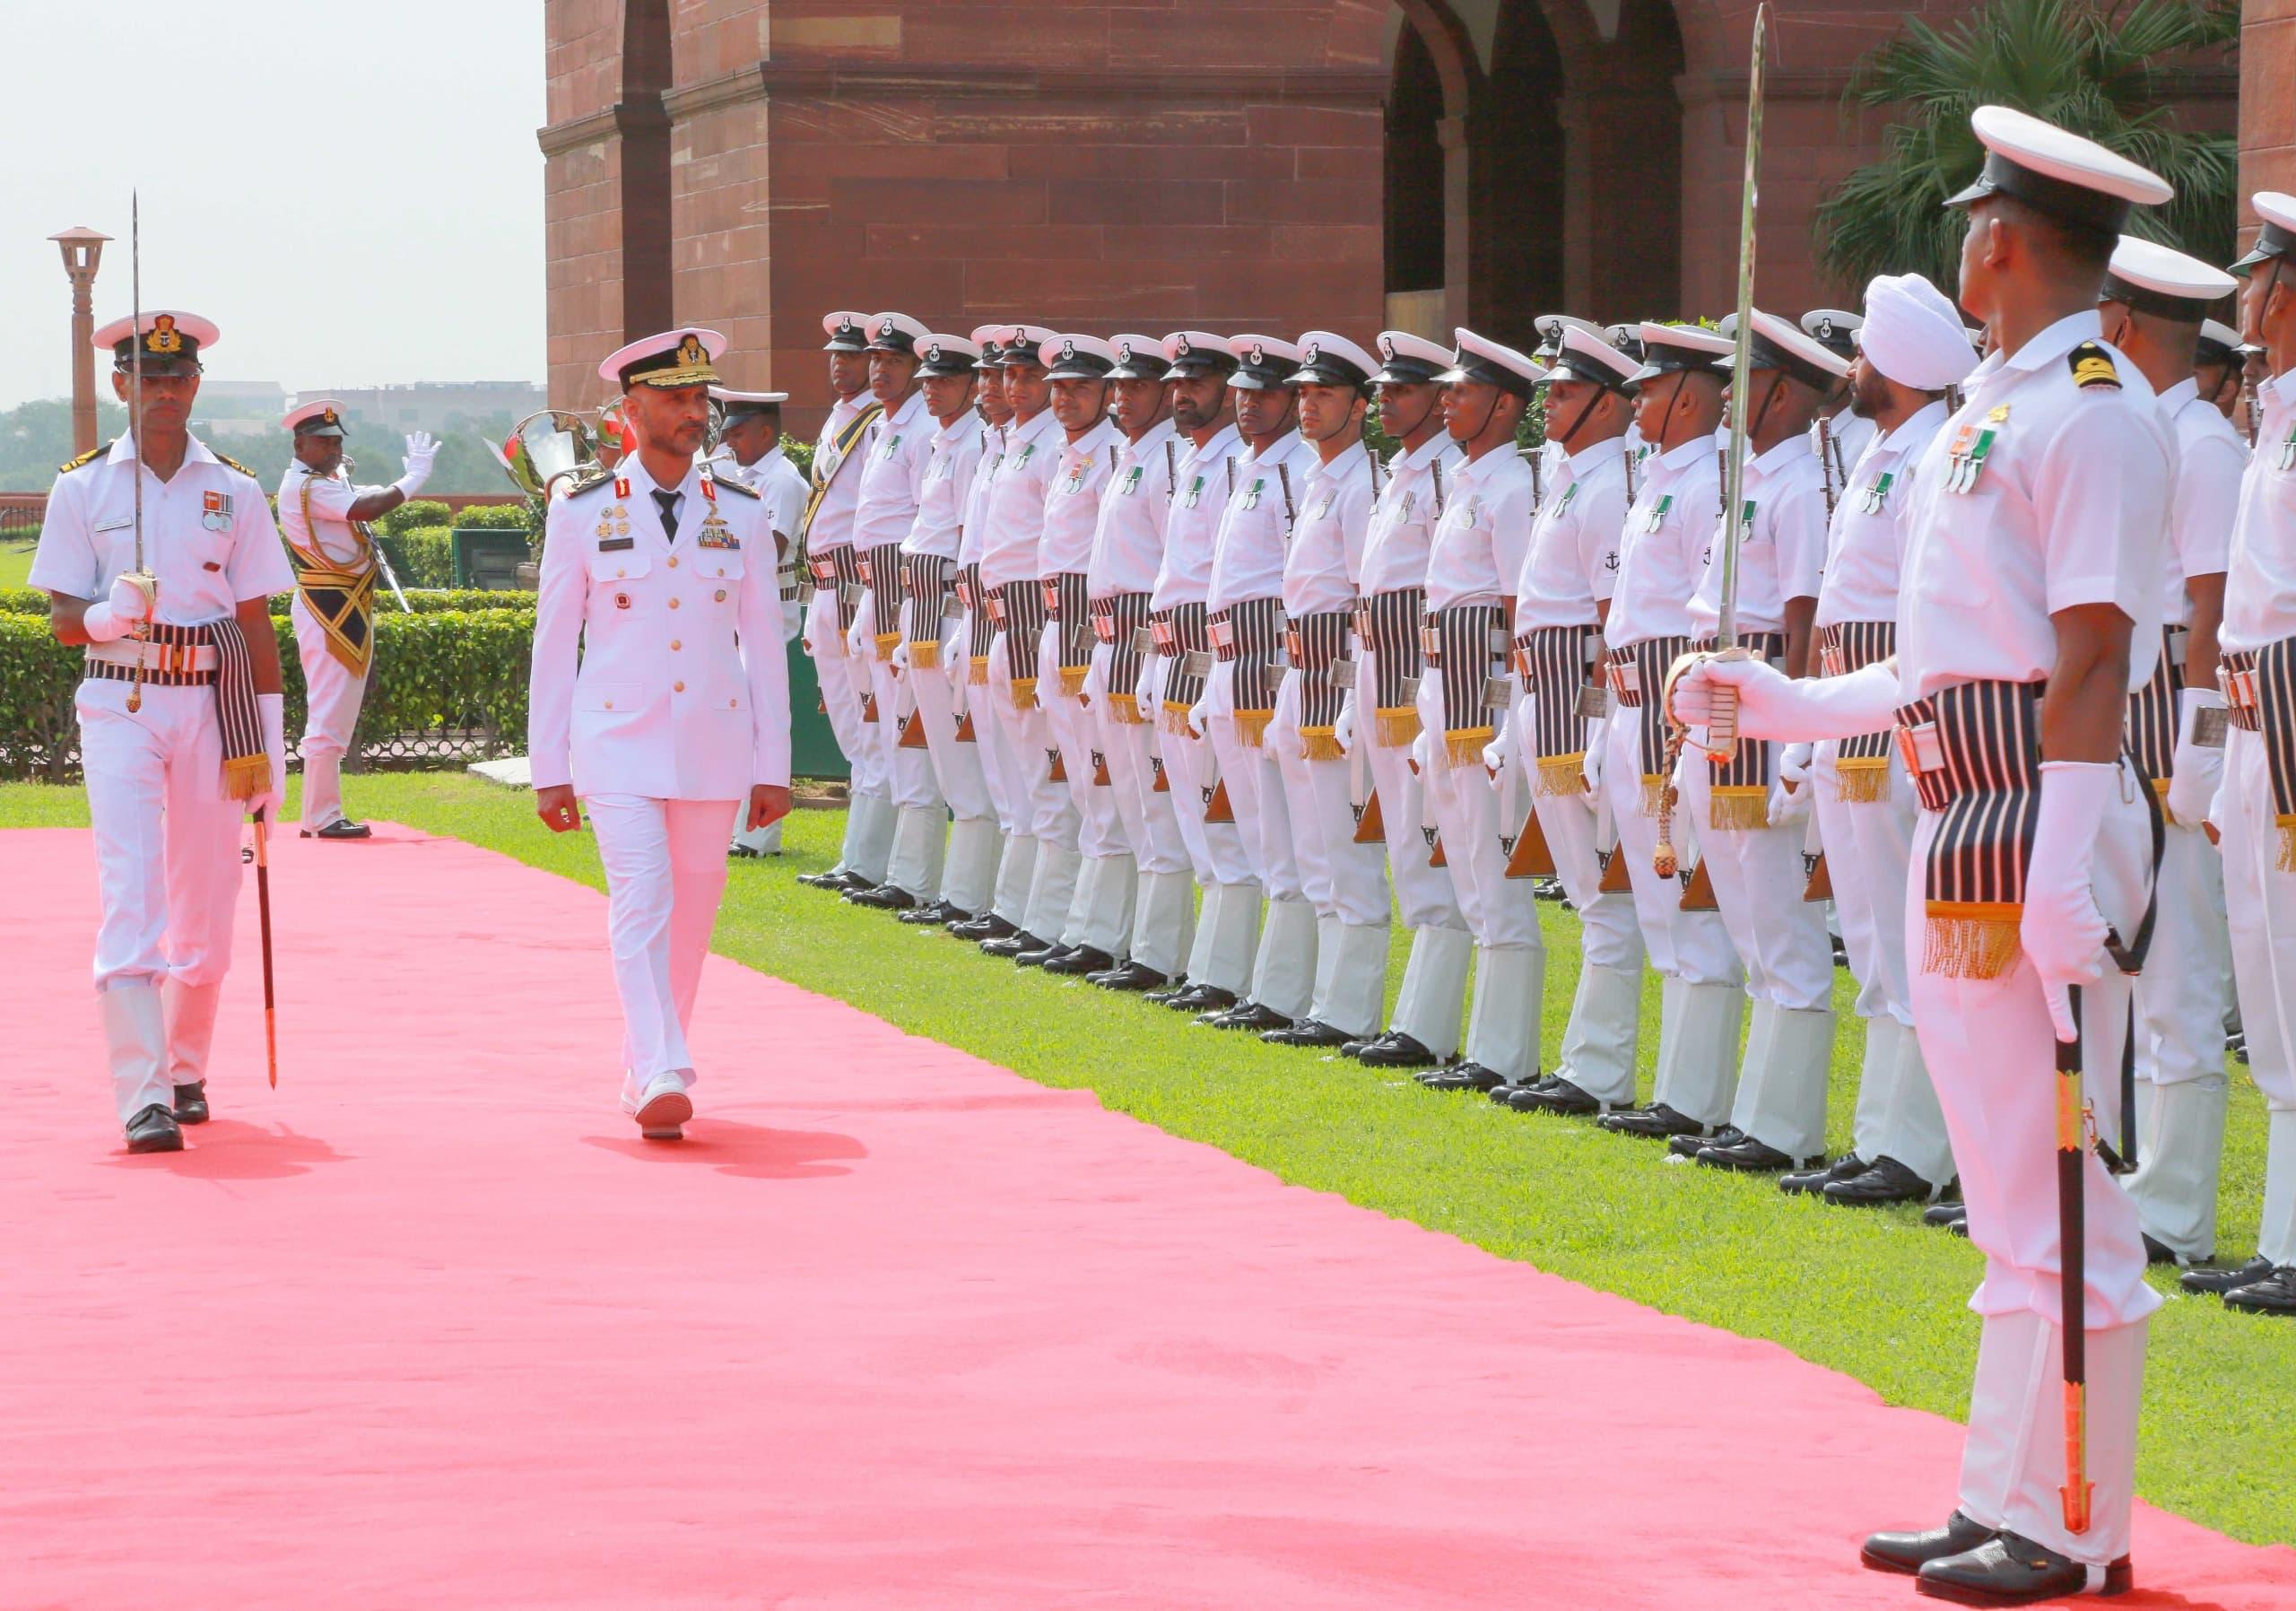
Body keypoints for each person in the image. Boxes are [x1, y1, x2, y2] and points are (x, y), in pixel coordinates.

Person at [1676, 105, 2175, 1600]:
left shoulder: (2091, 410)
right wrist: (1781, 701)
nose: (1963, 241)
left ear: (2004, 239)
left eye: (1972, 222)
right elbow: (1940, 662)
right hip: (1966, 807)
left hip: (2039, 811)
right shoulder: (1985, 411)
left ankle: (2075, 1522)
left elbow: (2092, 658)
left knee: (2065, 1190)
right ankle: (2000, 1496)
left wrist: (2065, 872)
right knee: (2007, 1189)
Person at [32, 309, 292, 1153]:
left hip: (215, 705)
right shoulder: (83, 488)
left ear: (196, 386)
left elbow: (254, 620)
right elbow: (62, 619)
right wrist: (109, 615)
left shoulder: (236, 489)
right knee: (133, 891)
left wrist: (270, 744)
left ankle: (185, 1067)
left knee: (208, 901)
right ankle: (142, 1093)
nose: (165, 391)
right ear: (121, 385)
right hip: (123, 696)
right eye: (149, 377)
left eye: (179, 378)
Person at [529, 328, 793, 1141]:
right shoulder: (581, 511)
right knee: (642, 898)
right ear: (630, 410)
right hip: (616, 742)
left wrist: (774, 765)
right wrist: (548, 766)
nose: (694, 412)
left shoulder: (739, 511)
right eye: (675, 398)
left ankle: (647, 1063)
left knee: (694, 913)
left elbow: (764, 643)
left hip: (714, 744)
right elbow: (554, 643)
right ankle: (660, 1070)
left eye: (700, 397)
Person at [1779, 274, 1969, 1210]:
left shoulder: (1930, 452)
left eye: (1862, 352)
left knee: (1904, 932)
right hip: (1845, 710)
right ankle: (1879, 1137)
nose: (1851, 367)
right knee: (1869, 937)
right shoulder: (1879, 451)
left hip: (1895, 712)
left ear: (1895, 361)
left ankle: (1918, 1147)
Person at [2095, 238, 2246, 1267]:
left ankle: (2173, 1208)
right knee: (2122, 966)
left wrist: (2201, 748)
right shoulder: (2142, 431)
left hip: (2170, 723)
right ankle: (2125, 1181)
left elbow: (2212, 607)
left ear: (2121, 324)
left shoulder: (2201, 444)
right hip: (2123, 715)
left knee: (2179, 974)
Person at [1665, 310, 1845, 1174]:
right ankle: (1754, 1115)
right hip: (1719, 703)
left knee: (1781, 923)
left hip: (1764, 698)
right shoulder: (1751, 478)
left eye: (1746, 379)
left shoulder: (1800, 485)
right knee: (1744, 916)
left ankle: (1785, 1128)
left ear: (1781, 392)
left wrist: (1799, 735)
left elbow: (1804, 615)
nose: (1730, 394)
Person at [1595, 322, 1746, 1142]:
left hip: (1672, 704)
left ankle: (1698, 1101)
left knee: (1691, 901)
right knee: (1661, 906)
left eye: (1648, 389)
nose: (1636, 402)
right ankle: (1675, 1092)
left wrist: (1689, 727)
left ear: (1688, 396)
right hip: (1631, 703)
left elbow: (1707, 617)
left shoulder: (1704, 483)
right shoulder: (1658, 477)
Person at [2186, 187, 2296, 1315]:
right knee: (2267, 986)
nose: (2246, 296)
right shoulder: (2270, 421)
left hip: (2295, 724)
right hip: (2257, 722)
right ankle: (2281, 1237)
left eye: (2258, 279)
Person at [1495, 325, 1647, 1115]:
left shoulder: (1610, 484)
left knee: (1602, 895)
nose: (1548, 404)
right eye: (1549, 390)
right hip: (1540, 688)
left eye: (1565, 392)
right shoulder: (1569, 477)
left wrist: (1596, 723)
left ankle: (1598, 1072)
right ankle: (1586, 1063)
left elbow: (1607, 619)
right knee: (1589, 894)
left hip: (1573, 693)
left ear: (1608, 404)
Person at [1408, 329, 1545, 1092]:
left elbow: (1519, 609)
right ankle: (1482, 1046)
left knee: (1495, 874)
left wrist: (1512, 713)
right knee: (1464, 863)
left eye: (1463, 391)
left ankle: (1504, 1053)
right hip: (1443, 683)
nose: (1448, 401)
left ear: (1503, 405)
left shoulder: (1511, 487)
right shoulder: (1465, 482)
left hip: (1483, 692)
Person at [1343, 333, 1474, 1068]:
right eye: (1384, 391)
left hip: (1421, 672)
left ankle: (1429, 1026)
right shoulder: (1398, 471)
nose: (1388, 403)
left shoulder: (1449, 473)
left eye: (1404, 391)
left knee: (1430, 843)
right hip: (1379, 663)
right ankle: (1414, 1016)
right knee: (1403, 840)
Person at [1261, 333, 1392, 1048]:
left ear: (1360, 406)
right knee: (1310, 850)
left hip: (1336, 669)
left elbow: (1363, 600)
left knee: (1346, 854)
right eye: (1304, 393)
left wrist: (1347, 694)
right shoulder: (1317, 479)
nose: (1308, 405)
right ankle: (1316, 1002)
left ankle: (1350, 1011)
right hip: (1300, 667)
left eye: (1325, 394)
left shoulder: (1363, 484)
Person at [1196, 335, 1321, 1032]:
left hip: (1267, 656)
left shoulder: (1296, 470)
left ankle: (1283, 994)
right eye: (1243, 393)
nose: (1250, 404)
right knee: (1249, 827)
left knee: (1281, 835)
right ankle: (1256, 983)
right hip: (1226, 654)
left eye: (1266, 393)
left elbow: (1296, 581)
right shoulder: (1247, 466)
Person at [851, 334, 998, 918]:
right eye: (929, 381)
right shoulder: (942, 439)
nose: (933, 390)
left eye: (947, 380)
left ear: (971, 385)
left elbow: (964, 536)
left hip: (944, 601)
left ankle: (964, 896)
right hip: (914, 597)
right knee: (917, 743)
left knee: (958, 761)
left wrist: (957, 619)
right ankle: (915, 880)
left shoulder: (971, 443)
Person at [1144, 332, 1258, 1013]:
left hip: (1210, 644)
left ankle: (1227, 975)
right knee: (1193, 814)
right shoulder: (1190, 459)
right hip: (1172, 642)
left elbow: (1225, 577)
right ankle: (1206, 968)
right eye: (1178, 384)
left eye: (1199, 383)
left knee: (1222, 817)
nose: (1183, 395)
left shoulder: (1234, 466)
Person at [274, 400, 436, 840]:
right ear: (300, 445)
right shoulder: (307, 487)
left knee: (335, 709)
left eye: (337, 442)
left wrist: (377, 482)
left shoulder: (322, 483)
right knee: (330, 711)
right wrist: (413, 478)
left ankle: (320, 813)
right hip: (329, 607)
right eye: (323, 442)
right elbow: (366, 508)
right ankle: (321, 816)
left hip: (341, 603)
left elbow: (358, 495)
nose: (333, 450)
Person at [1082, 335, 1190, 991]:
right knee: (1125, 798)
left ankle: (1160, 953)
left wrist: (1154, 650)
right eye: (1118, 387)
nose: (1123, 398)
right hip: (1108, 633)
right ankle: (1124, 941)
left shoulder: (1167, 458)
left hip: (1143, 633)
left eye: (1138, 387)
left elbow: (1171, 566)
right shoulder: (1131, 454)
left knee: (1156, 804)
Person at [972, 324, 1077, 961]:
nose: (1014, 385)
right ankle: (1019, 908)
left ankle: (1048, 917)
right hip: (1002, 614)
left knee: (1047, 774)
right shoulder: (1013, 441)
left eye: (1028, 375)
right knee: (1018, 777)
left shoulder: (1051, 447)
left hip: (1038, 614)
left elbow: (1051, 545)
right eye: (1008, 374)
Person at [1026, 335, 1130, 973]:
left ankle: (1104, 934)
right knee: (1080, 783)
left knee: (1102, 780)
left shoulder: (1114, 454)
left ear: (1107, 394)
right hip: (1054, 618)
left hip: (1091, 625)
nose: (1065, 398)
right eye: (1059, 388)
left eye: (1080, 388)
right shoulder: (1067, 455)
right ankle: (1079, 924)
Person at [842, 313, 942, 910]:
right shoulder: (883, 426)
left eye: (894, 362)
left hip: (908, 592)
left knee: (910, 737)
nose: (880, 370)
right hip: (876, 589)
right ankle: (887, 868)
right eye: (875, 360)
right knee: (884, 733)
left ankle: (914, 879)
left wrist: (904, 605)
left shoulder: (924, 428)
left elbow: (926, 520)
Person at [795, 312, 888, 893]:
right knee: (853, 733)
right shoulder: (838, 417)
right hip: (826, 586)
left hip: (858, 583)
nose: (840, 365)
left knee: (872, 731)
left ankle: (870, 863)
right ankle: (857, 858)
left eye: (852, 356)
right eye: (835, 355)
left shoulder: (878, 423)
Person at [712, 387, 810, 859]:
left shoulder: (782, 480)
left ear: (766, 432)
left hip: (770, 612)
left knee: (761, 719)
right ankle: (737, 826)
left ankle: (759, 835)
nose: (729, 442)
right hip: (736, 610)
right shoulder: (738, 475)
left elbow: (769, 549)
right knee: (735, 721)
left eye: (738, 433)